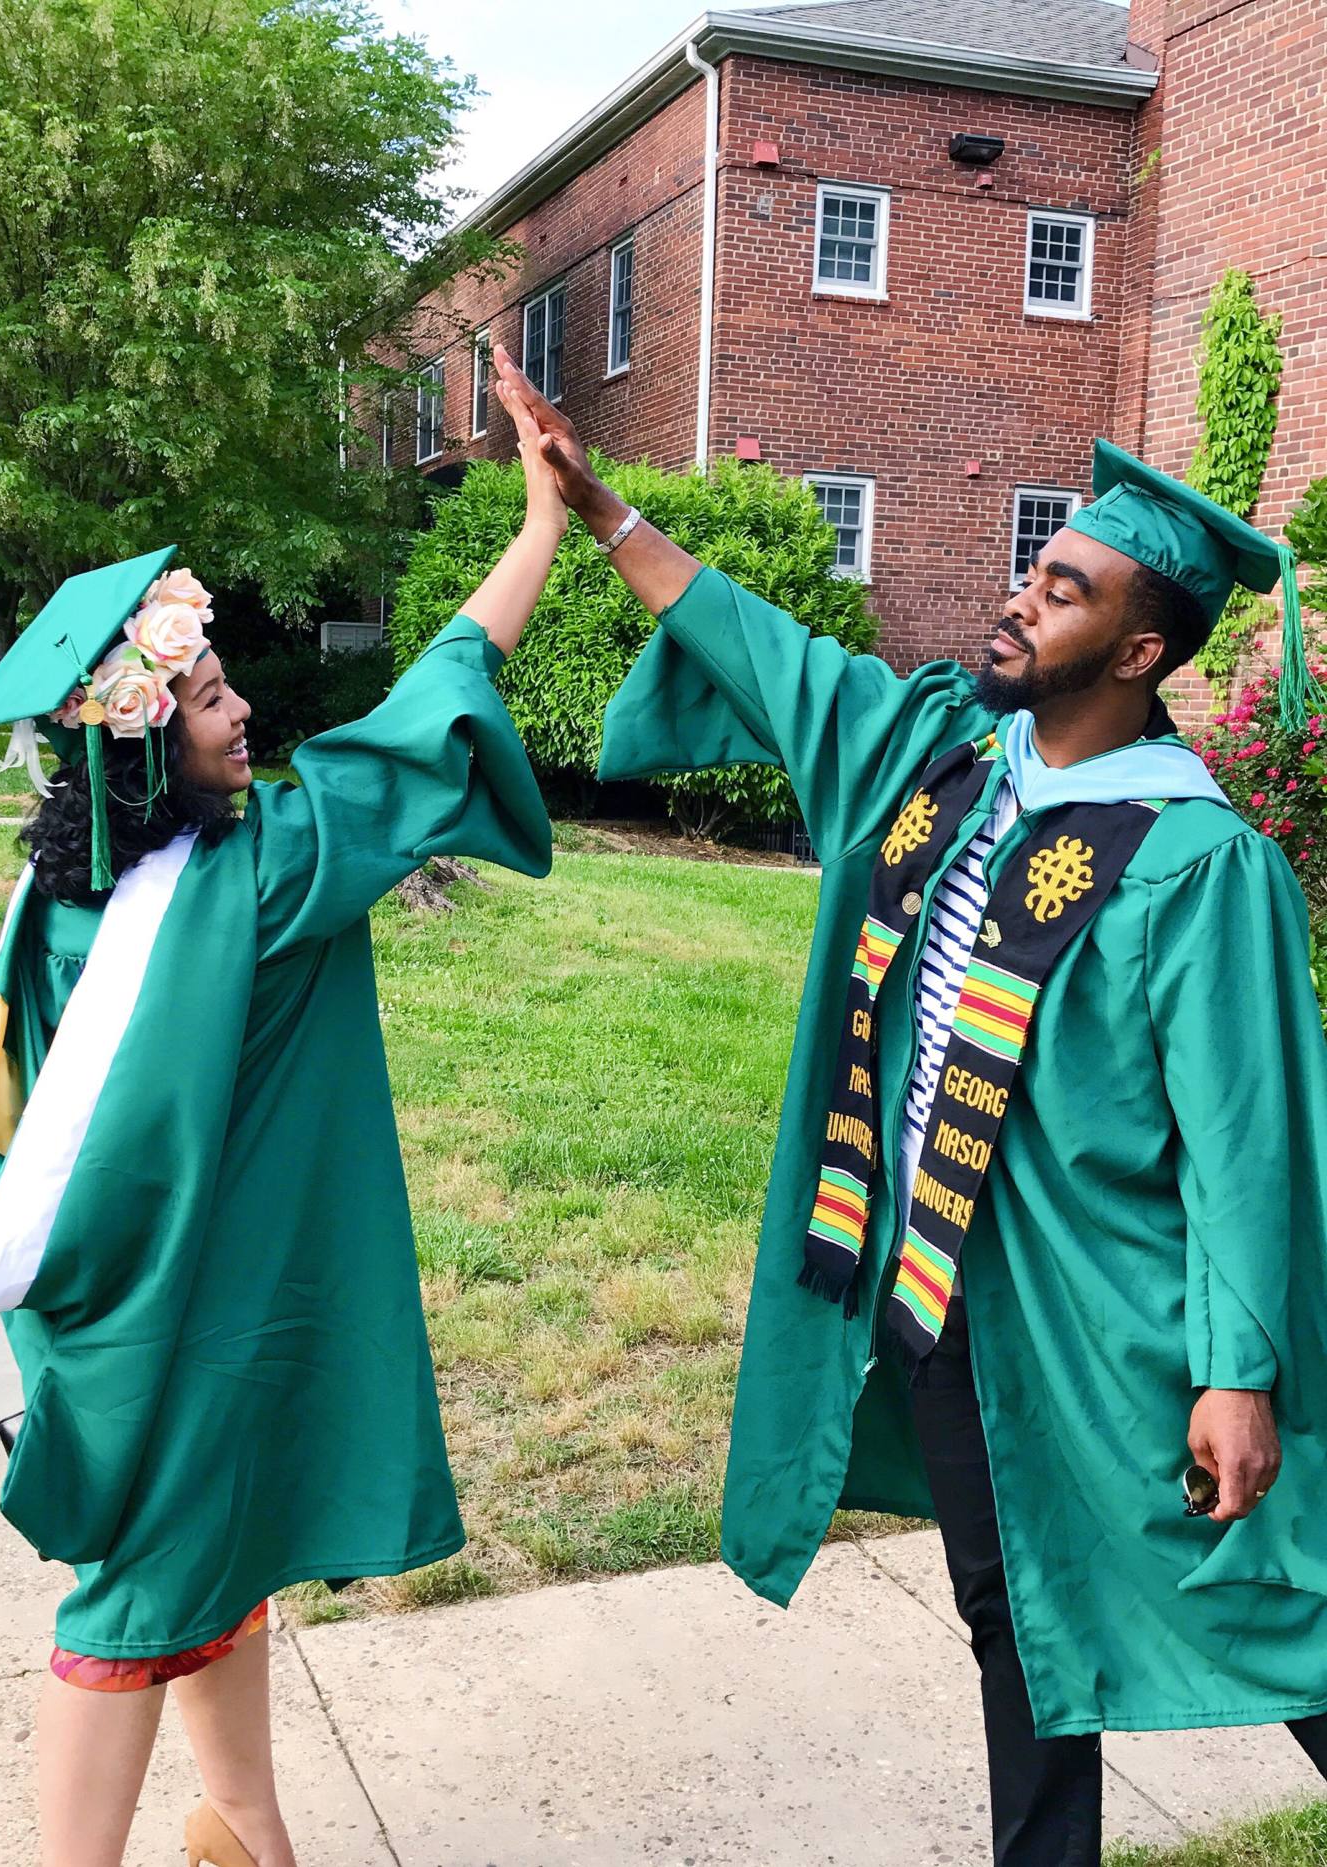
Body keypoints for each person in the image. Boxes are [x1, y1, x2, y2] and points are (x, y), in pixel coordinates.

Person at [491, 346, 1327, 1864]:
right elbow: (770, 657)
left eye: (1065, 591)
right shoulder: (945, 755)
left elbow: (1249, 1144)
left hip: (1116, 1317)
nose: (1023, 595)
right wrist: (600, 508)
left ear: (1141, 656)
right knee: (1012, 1617)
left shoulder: (1199, 864)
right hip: (943, 1291)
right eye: (1038, 568)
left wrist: (1237, 1373)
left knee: (1272, 1601)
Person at [0, 383, 563, 1867]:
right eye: (209, 695)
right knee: (136, 1600)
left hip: (106, 1307)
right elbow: (437, 703)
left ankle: (252, 1837)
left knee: (212, 1572)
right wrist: (543, 524)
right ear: (144, 744)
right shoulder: (259, 882)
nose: (243, 709)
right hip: (187, 1325)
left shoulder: (54, 897)